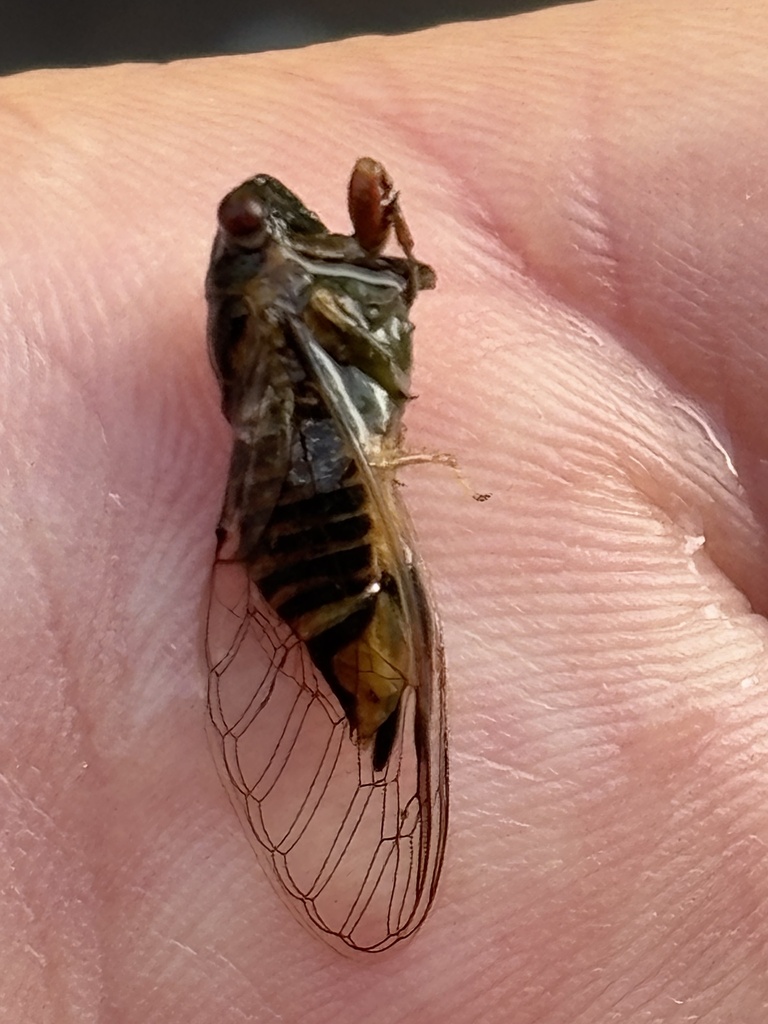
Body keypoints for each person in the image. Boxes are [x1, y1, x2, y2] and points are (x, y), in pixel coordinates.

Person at [3, 2, 767, 1020]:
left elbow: (388, 283)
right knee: (388, 601)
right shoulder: (289, 308)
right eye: (259, 231)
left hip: (316, 476)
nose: (287, 230)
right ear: (257, 271)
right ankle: (366, 703)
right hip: (327, 506)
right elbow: (383, 300)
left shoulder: (302, 292)